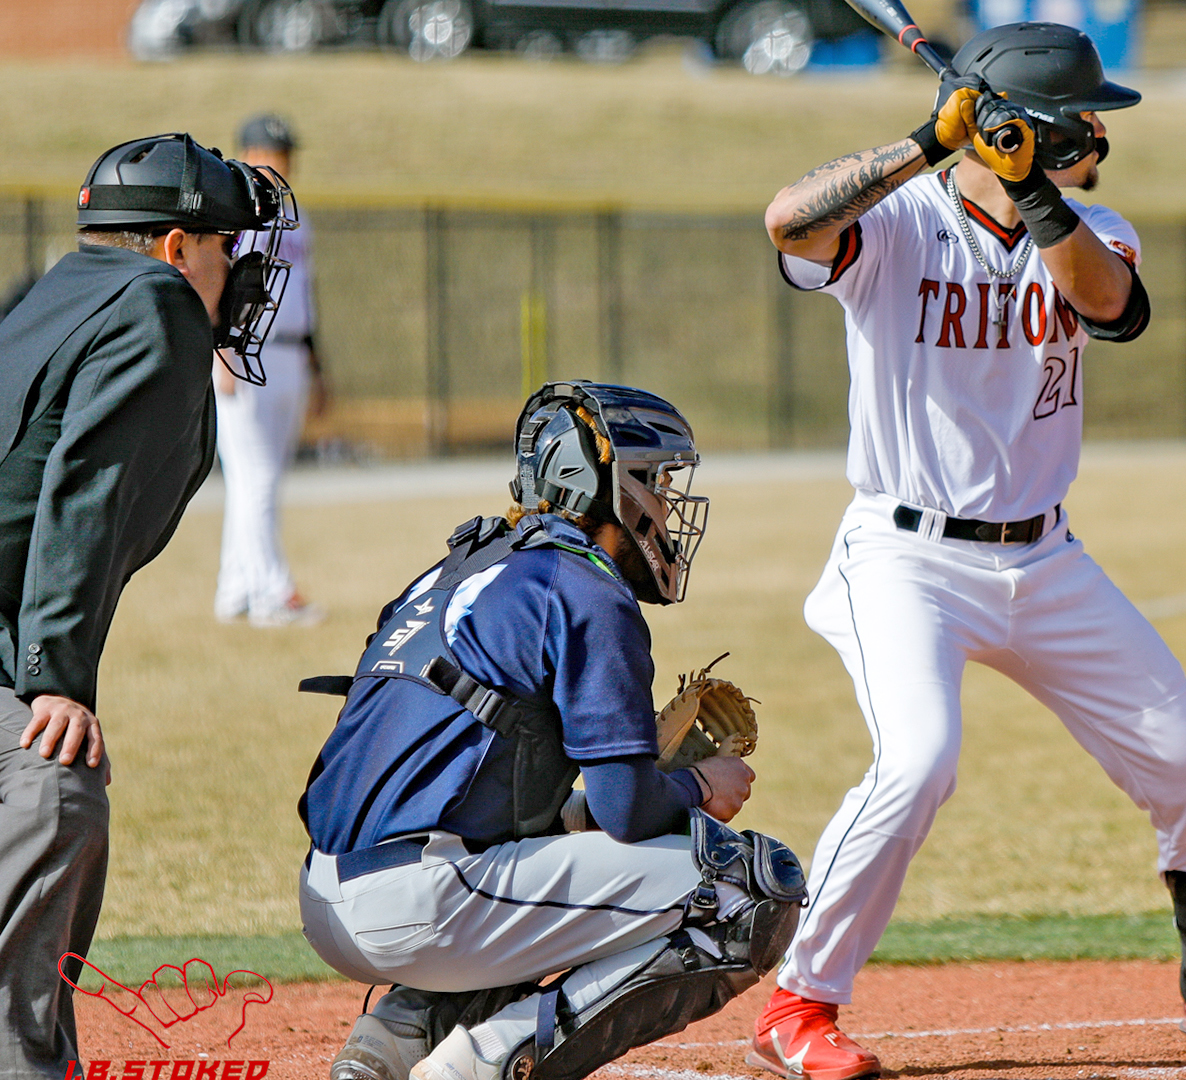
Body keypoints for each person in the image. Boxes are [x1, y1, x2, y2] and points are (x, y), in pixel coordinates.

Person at [753, 21, 1186, 1080]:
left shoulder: (1094, 226)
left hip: (1046, 558)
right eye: (1087, 118)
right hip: (906, 555)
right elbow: (788, 222)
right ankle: (800, 1001)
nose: (1102, 132)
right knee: (918, 762)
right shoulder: (902, 223)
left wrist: (1038, 189)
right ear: (1038, 124)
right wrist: (933, 140)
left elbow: (1112, 309)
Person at [297, 382, 804, 1080]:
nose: (667, 503)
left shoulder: (462, 566)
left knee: (551, 848)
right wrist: (696, 784)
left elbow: (482, 782)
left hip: (330, 889)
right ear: (612, 488)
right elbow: (628, 811)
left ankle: (399, 1033)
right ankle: (475, 1069)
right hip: (420, 903)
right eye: (656, 481)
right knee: (751, 888)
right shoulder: (587, 589)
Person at [0, 132, 293, 1079]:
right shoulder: (156, 303)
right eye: (223, 246)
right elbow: (82, 491)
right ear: (176, 248)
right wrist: (55, 676)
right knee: (57, 790)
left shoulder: (54, 294)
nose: (237, 269)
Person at [214, 113, 327, 627]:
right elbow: (217, 286)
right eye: (270, 152)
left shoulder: (295, 216)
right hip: (244, 353)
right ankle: (272, 594)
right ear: (248, 154)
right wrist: (222, 354)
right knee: (255, 478)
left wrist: (317, 366)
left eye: (285, 153)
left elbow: (305, 296)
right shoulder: (232, 213)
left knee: (260, 481)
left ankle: (236, 590)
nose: (282, 162)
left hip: (290, 354)